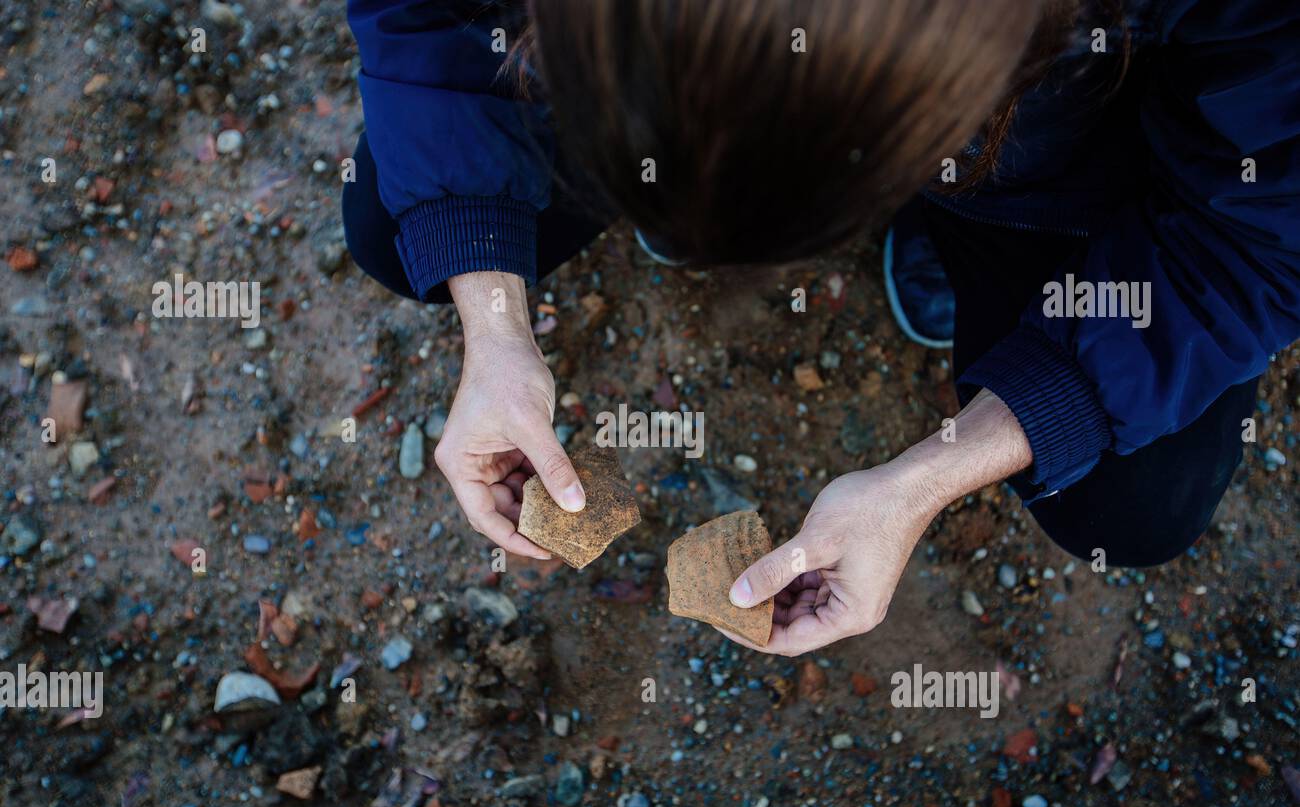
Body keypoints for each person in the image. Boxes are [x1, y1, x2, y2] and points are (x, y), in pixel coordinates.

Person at [343, 0, 1300, 655]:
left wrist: (933, 475)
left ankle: (967, 211)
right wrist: (495, 319)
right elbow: (423, 21)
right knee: (401, 218)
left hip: (1059, 148)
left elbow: (1250, 241)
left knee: (1135, 503)